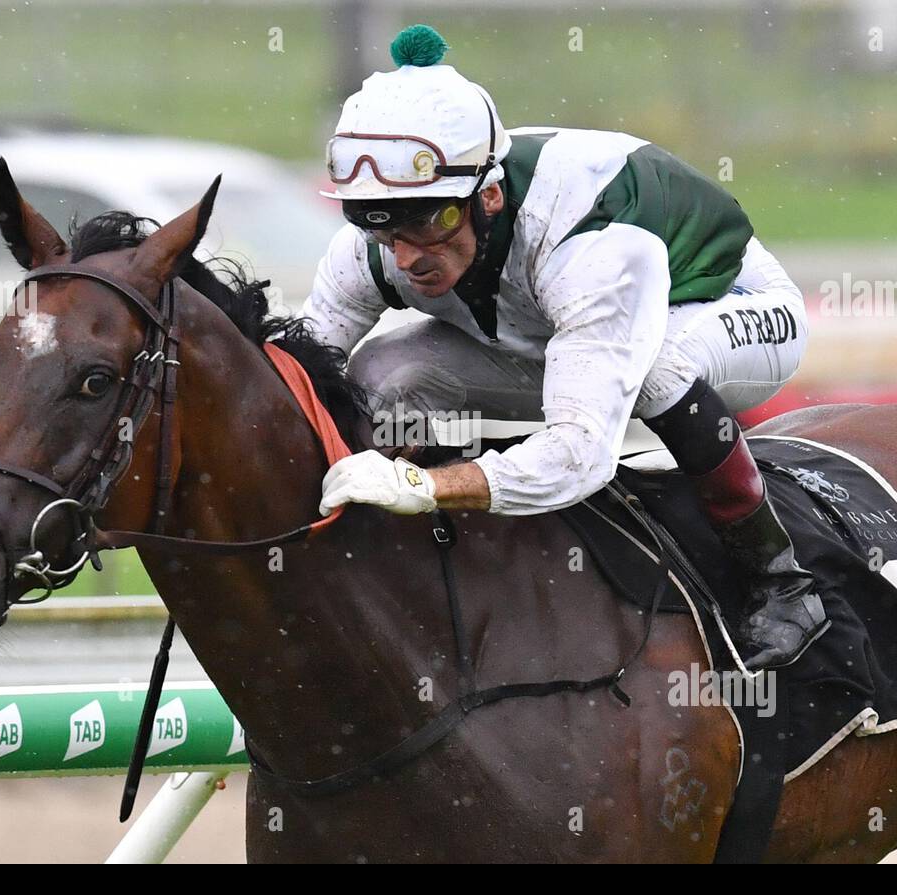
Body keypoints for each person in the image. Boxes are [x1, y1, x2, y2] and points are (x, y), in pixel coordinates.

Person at [300, 25, 828, 670]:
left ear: (487, 196)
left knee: (657, 369)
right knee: (385, 372)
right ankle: (407, 565)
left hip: (727, 308)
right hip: (558, 328)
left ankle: (781, 581)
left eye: (430, 221)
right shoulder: (370, 249)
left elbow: (581, 456)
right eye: (376, 222)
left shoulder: (588, 243)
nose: (406, 255)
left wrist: (422, 483)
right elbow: (300, 377)